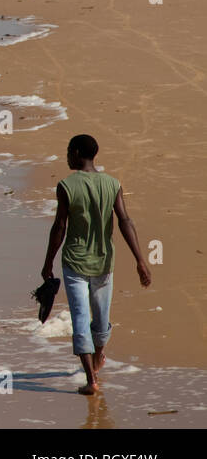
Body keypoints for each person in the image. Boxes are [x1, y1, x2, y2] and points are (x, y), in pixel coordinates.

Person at [41, 134, 152, 395]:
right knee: (101, 319)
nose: (67, 156)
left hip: (74, 262)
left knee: (81, 318)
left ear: (78, 153)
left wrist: (48, 262)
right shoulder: (112, 184)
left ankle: (92, 376)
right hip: (104, 261)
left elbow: (59, 226)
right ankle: (95, 367)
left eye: (69, 151)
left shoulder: (66, 185)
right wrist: (140, 260)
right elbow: (126, 221)